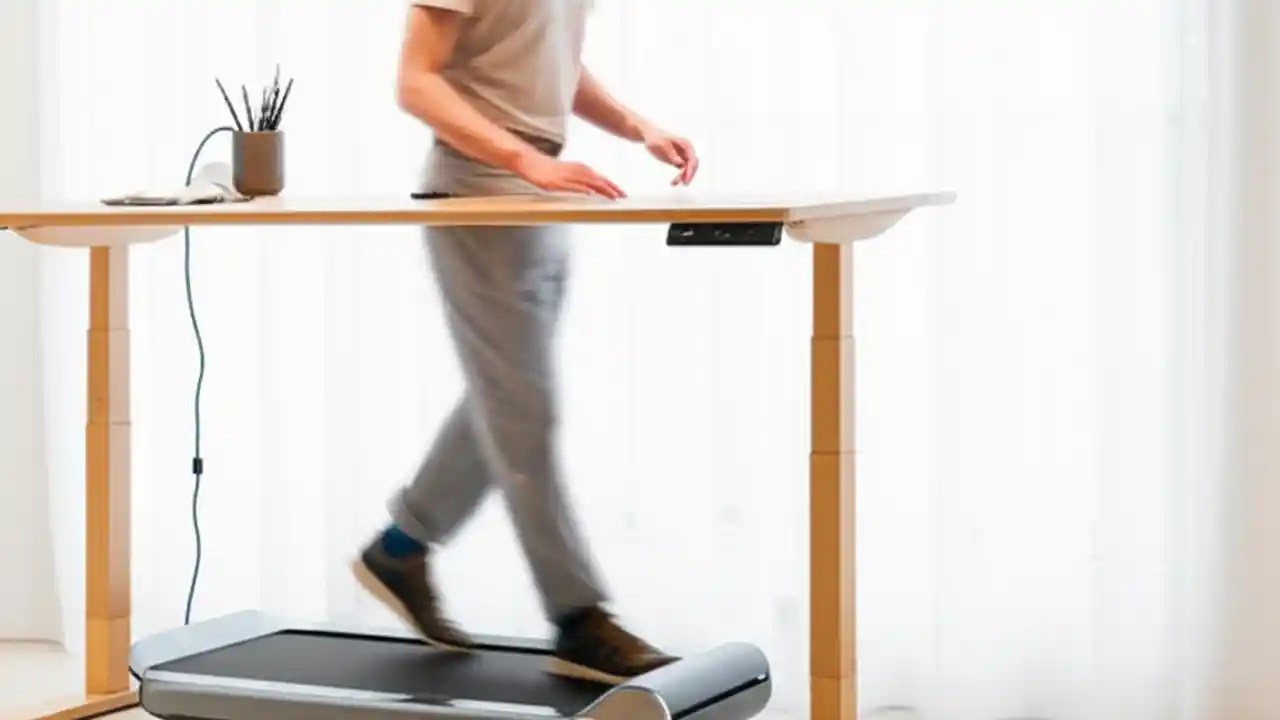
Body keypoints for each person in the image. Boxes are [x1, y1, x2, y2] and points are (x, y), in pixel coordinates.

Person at [352, 0, 700, 685]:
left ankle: (400, 548)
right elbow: (416, 81)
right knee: (523, 408)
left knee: (508, 400)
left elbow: (549, 61)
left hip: (542, 186)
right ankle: (577, 616)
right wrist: (519, 159)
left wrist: (637, 127)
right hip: (481, 187)